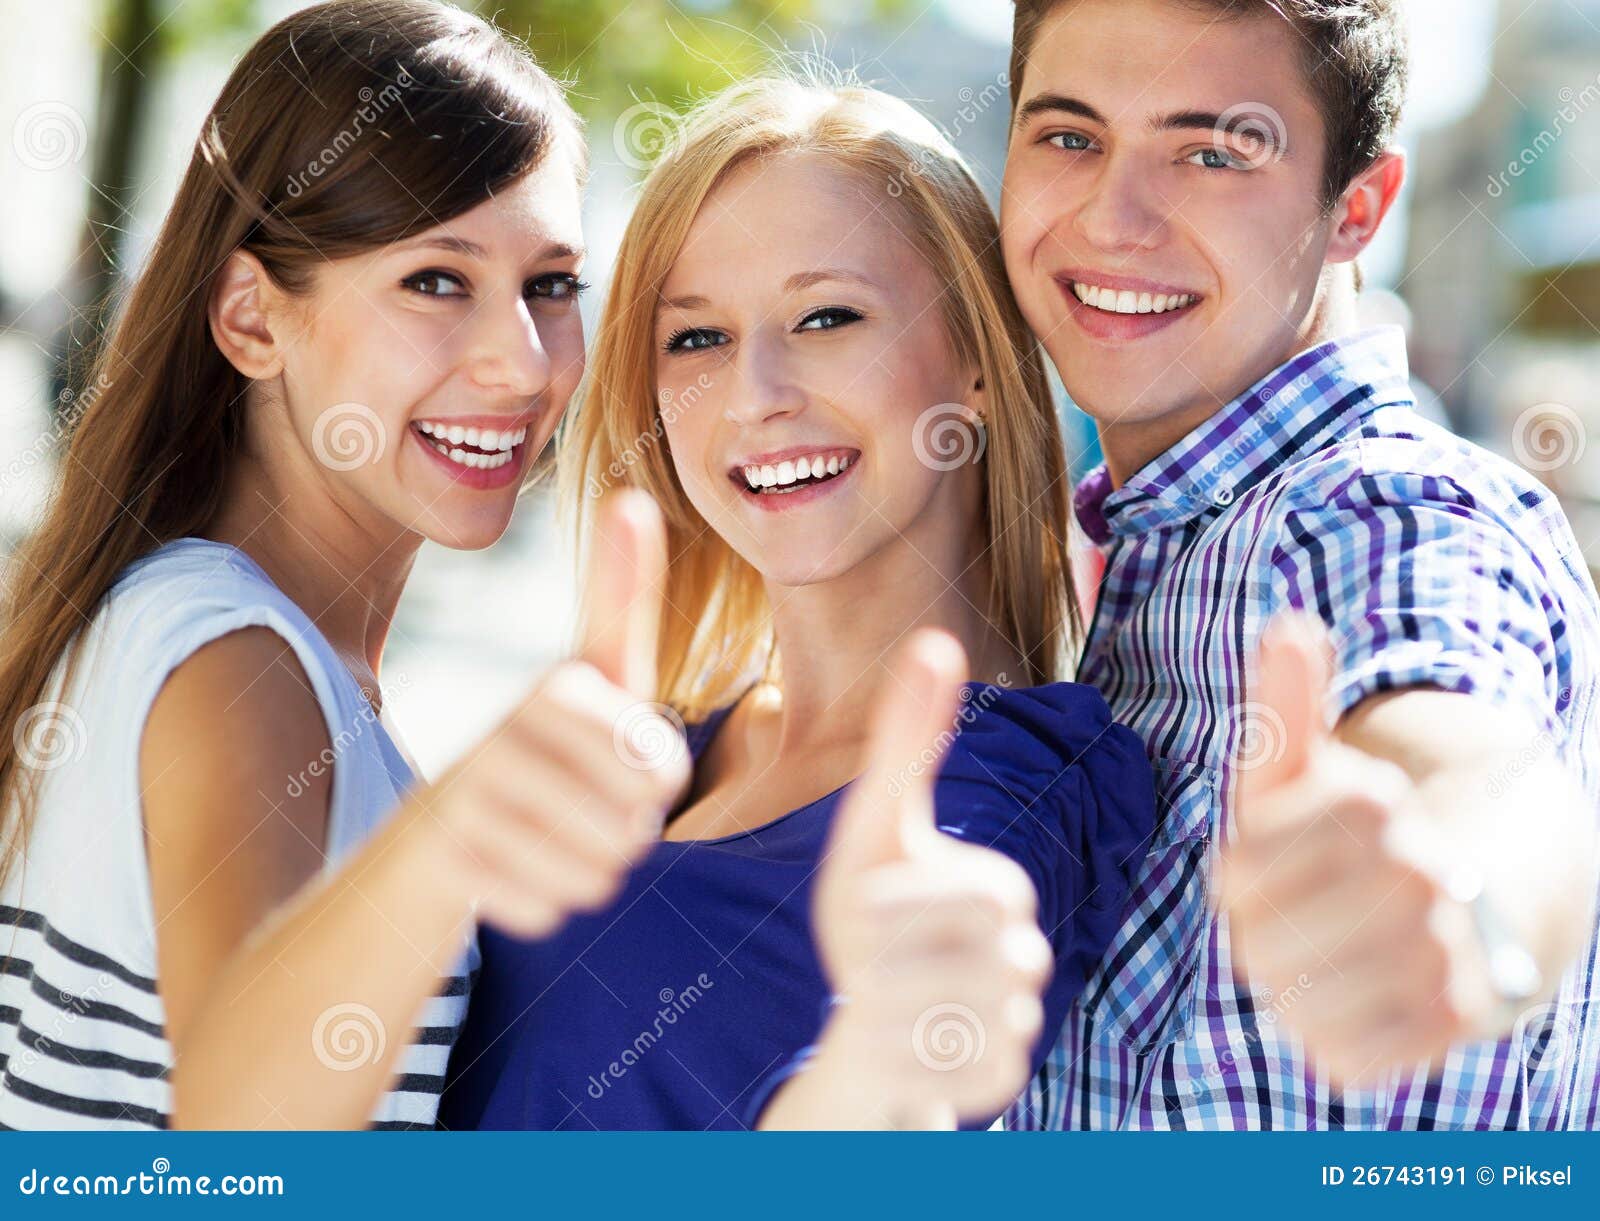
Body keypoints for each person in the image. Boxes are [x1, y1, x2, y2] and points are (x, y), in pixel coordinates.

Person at [0, 0, 694, 1130]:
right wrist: (462, 828)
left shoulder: (214, 634)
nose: (521, 364)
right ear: (252, 319)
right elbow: (241, 1143)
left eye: (550, 285)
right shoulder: (235, 662)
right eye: (435, 279)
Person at [438, 76, 1156, 1131]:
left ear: (973, 363)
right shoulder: (675, 748)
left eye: (827, 316)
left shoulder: (1002, 797)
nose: (755, 391)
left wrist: (873, 1072)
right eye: (696, 339)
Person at [998, 0, 1600, 1128]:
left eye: (1213, 152)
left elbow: (1471, 749)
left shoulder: (1376, 507)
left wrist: (1461, 895)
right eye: (1069, 136)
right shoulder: (1159, 542)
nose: (1111, 218)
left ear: (1356, 209)